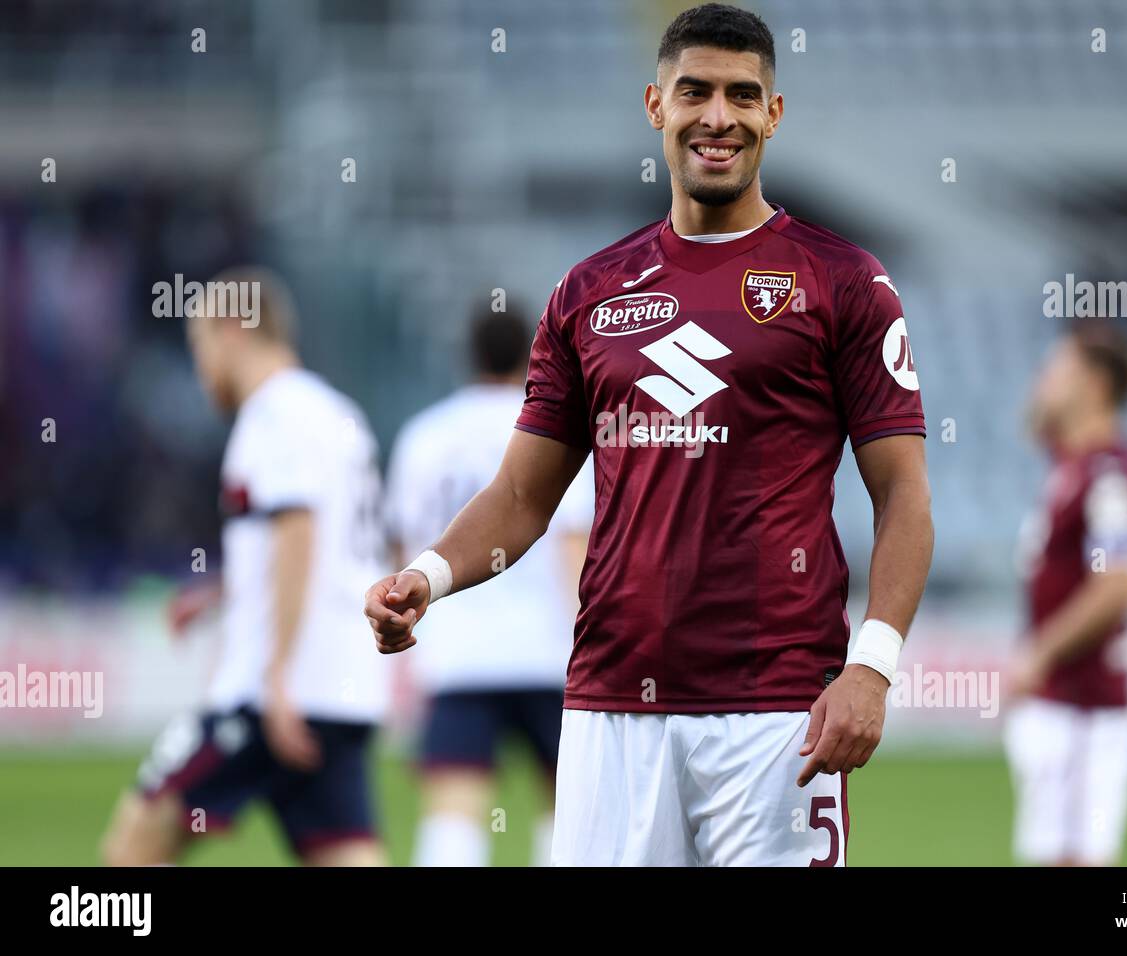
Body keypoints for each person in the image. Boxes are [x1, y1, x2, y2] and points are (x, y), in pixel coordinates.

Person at [364, 3, 933, 866]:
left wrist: (873, 666)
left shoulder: (845, 282)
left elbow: (903, 495)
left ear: (773, 115)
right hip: (609, 709)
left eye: (743, 96)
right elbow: (522, 496)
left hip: (778, 711)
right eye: (694, 91)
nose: (718, 117)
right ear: (654, 105)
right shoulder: (586, 294)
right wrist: (425, 576)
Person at [102, 267, 392, 866]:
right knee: (346, 855)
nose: (202, 368)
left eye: (200, 345)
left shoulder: (273, 416)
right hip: (345, 687)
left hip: (272, 695)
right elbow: (332, 544)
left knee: (135, 840)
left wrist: (278, 676)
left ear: (234, 330)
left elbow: (299, 531)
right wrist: (223, 592)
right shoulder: (339, 415)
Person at [387, 309, 591, 866]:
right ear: (530, 357)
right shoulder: (554, 430)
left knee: (454, 811)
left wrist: (403, 665)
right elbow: (571, 551)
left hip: (457, 655)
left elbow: (408, 556)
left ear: (470, 356)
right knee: (567, 807)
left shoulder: (424, 436)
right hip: (548, 653)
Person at [1006, 318, 1127, 866]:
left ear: (1095, 384)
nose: (1043, 380)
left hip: (1085, 705)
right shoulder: (1071, 468)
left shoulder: (1110, 475)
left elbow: (1119, 582)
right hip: (1064, 703)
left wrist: (1042, 651)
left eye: (1057, 369)